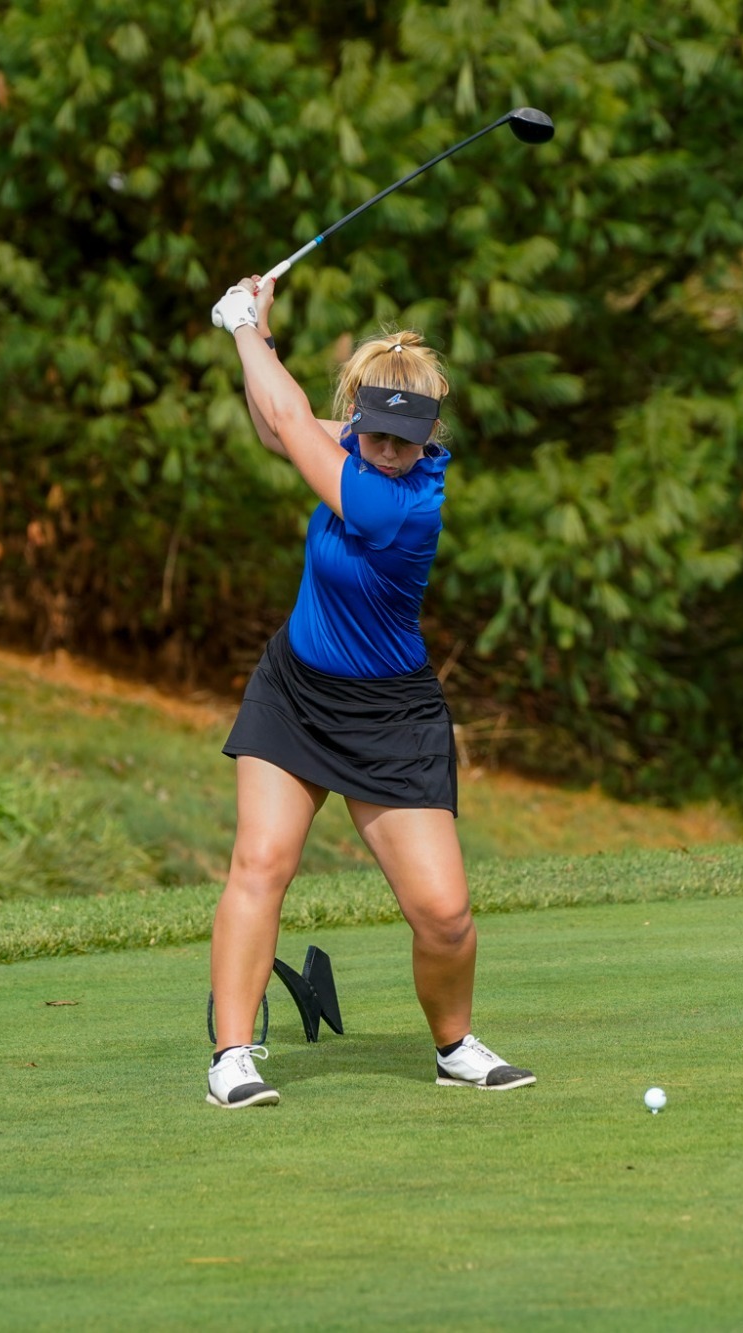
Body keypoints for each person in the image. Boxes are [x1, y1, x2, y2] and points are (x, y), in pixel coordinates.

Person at [201, 275, 535, 1110]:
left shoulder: (404, 506)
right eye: (376, 436)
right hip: (297, 692)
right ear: (360, 422)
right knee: (260, 863)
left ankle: (453, 1045)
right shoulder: (349, 446)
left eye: (404, 440)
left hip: (391, 717)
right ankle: (232, 1057)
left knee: (446, 915)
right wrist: (260, 338)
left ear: (430, 437)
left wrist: (245, 328)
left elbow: (284, 418)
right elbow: (275, 425)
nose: (388, 451)